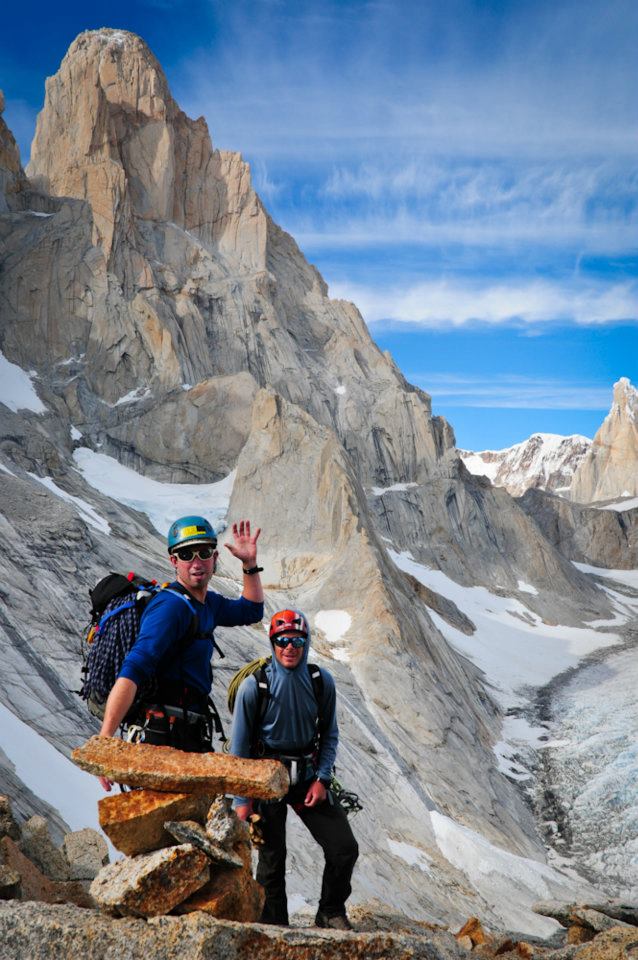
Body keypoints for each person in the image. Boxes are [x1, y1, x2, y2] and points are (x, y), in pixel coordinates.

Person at [98, 515, 263, 789]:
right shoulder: (170, 608)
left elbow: (251, 610)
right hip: (161, 735)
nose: (196, 562)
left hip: (189, 731)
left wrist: (248, 564)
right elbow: (134, 668)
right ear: (173, 561)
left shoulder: (208, 602)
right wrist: (106, 738)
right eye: (186, 554)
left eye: (204, 552)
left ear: (215, 557)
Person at [230, 608, 359, 930]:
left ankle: (330, 912)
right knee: (272, 859)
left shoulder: (320, 681)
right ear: (272, 643)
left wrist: (322, 779)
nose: (290, 647)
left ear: (306, 642)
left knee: (344, 847)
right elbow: (239, 750)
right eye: (283, 640)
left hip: (307, 777)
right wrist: (241, 802)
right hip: (268, 777)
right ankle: (274, 925)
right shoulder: (254, 687)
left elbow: (329, 734)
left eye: (297, 641)